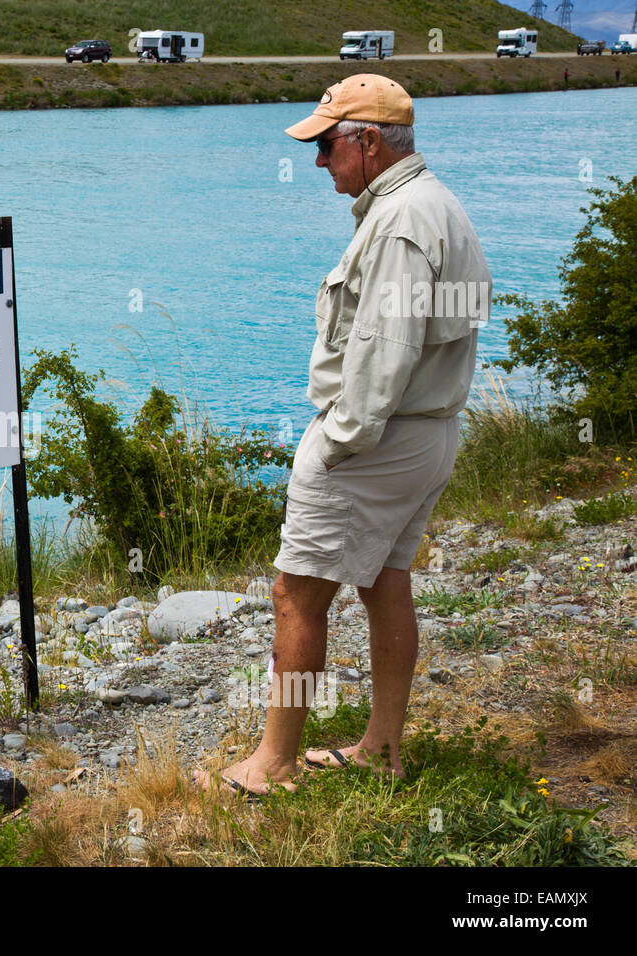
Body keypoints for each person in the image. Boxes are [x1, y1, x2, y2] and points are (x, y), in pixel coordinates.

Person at [195, 74, 491, 799]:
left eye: (326, 146)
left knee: (297, 594)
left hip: (375, 441)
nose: (319, 161)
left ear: (366, 141)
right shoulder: (437, 205)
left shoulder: (395, 224)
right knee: (386, 584)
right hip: (428, 434)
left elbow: (384, 349)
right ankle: (381, 748)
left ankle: (274, 763)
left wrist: (335, 441)